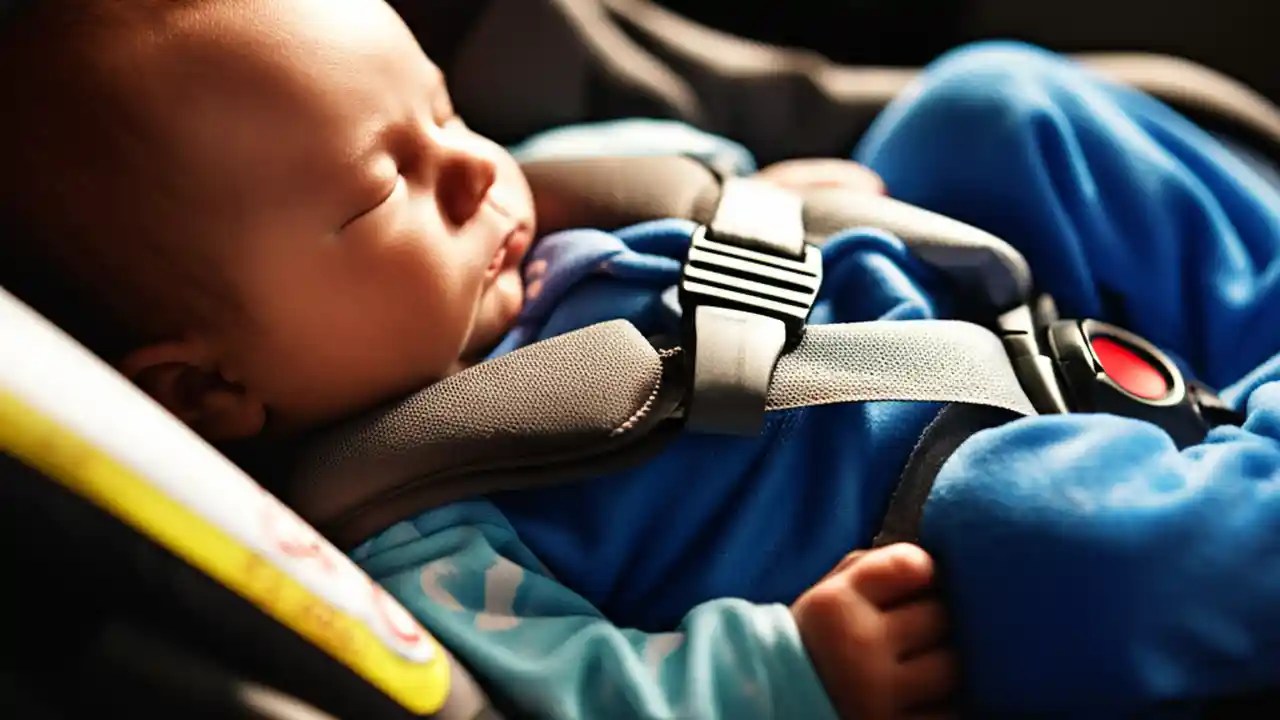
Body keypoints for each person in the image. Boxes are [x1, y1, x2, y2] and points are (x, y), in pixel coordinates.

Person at [0, 1, 1277, 719]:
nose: (473, 166)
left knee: (987, 106)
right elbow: (589, 699)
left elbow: (706, 177)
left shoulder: (548, 196)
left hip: (980, 296)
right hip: (972, 488)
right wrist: (790, 675)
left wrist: (801, 201)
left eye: (442, 107)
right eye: (387, 185)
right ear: (208, 390)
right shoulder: (424, 536)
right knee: (1038, 549)